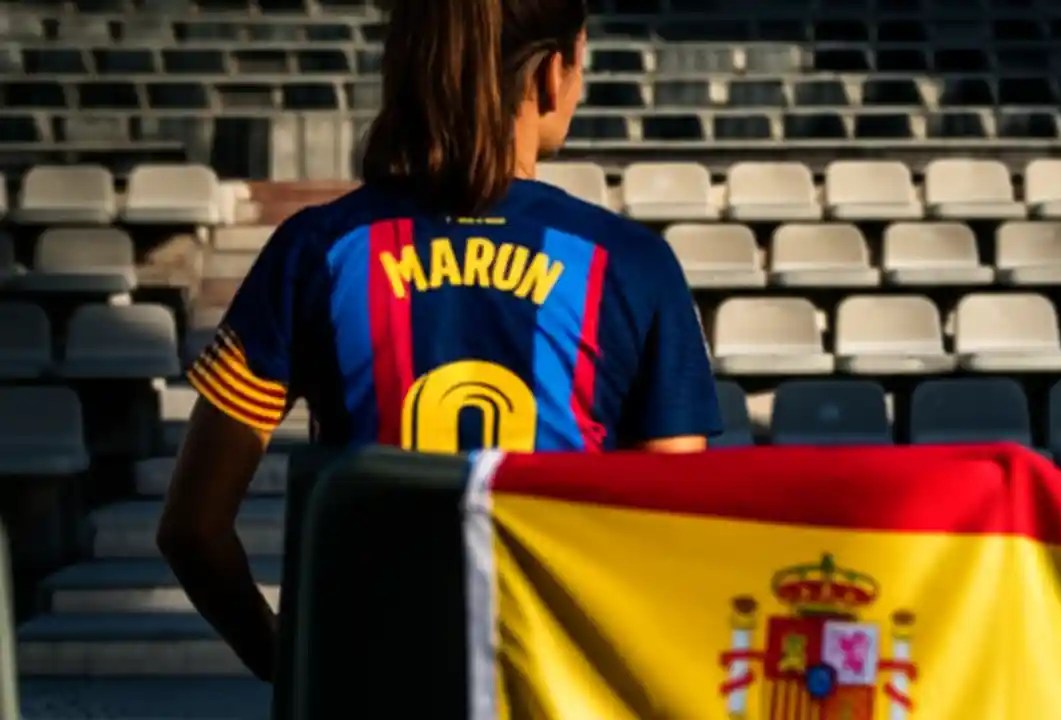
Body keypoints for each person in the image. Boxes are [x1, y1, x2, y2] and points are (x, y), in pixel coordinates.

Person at [157, 0, 721, 683]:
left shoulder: (315, 249)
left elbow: (192, 529)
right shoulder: (632, 264)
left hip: (368, 681)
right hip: (552, 688)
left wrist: (295, 671)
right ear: (553, 73)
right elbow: (672, 533)